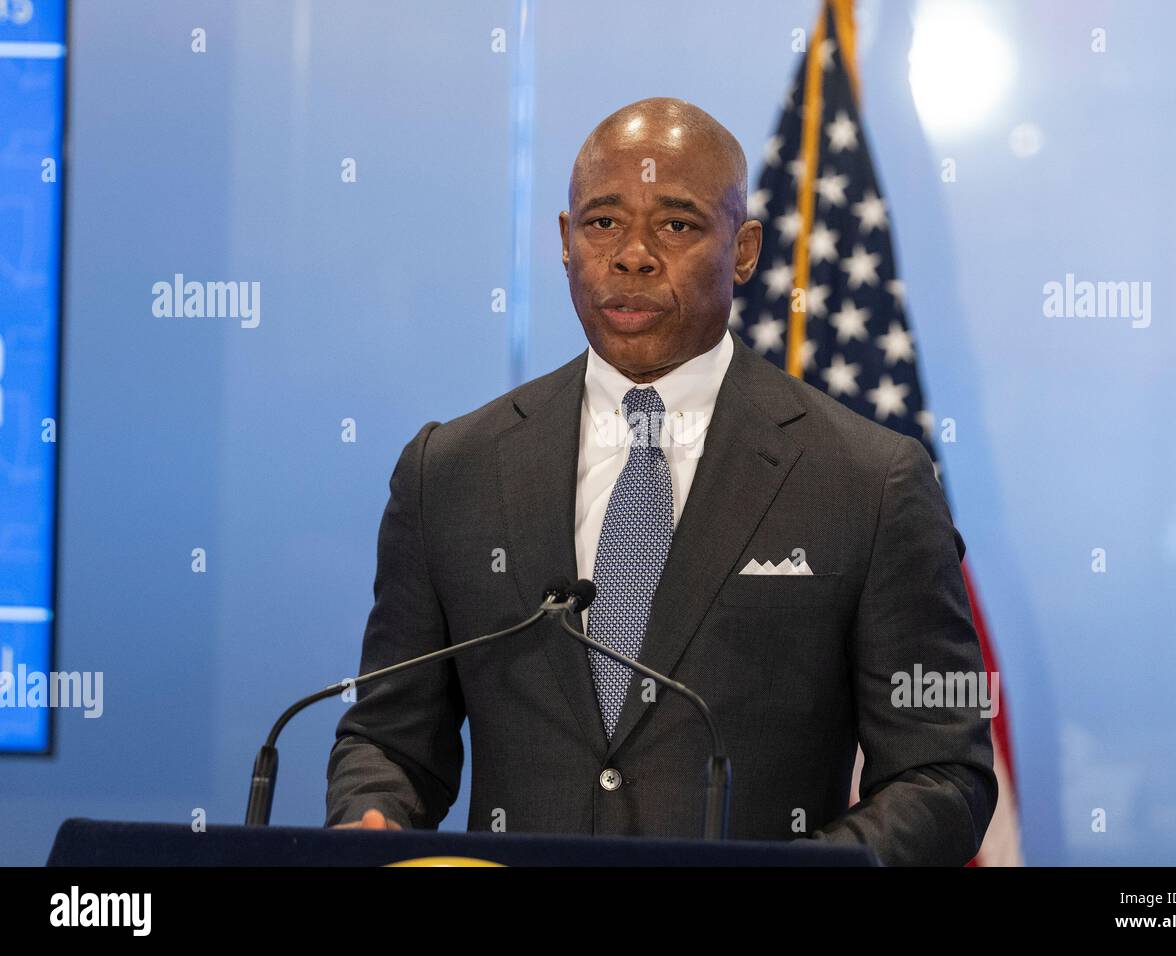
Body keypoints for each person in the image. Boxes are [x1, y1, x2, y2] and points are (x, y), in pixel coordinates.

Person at [326, 97, 996, 865]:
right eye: (602, 222)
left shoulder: (869, 481)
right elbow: (389, 739)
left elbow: (943, 770)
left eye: (676, 225)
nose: (633, 254)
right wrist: (369, 813)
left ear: (744, 250)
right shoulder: (450, 472)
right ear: (565, 243)